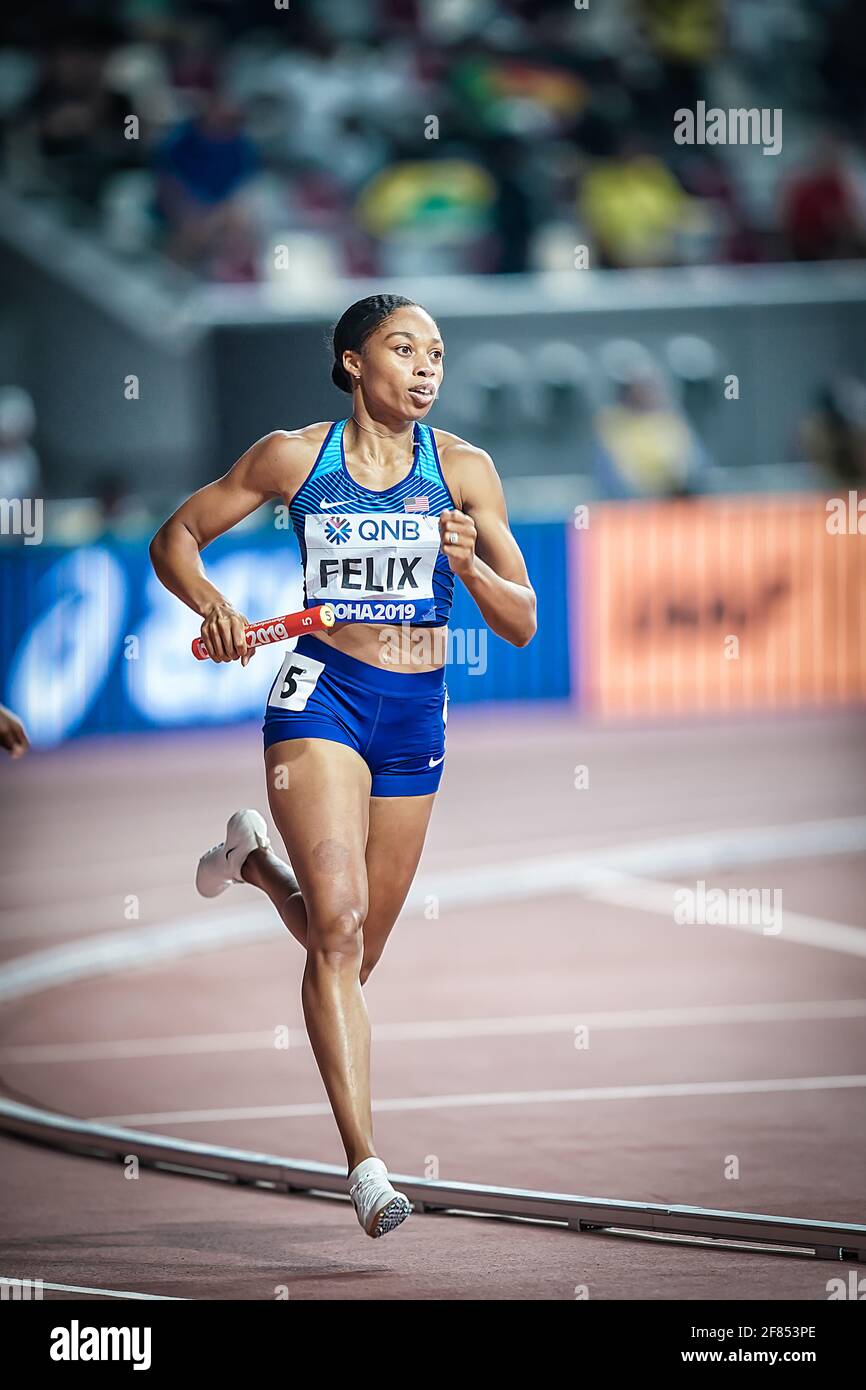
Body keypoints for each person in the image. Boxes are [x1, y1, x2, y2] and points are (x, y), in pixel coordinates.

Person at [149, 294, 537, 1237]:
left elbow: (522, 619)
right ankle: (365, 1167)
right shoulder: (296, 457)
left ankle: (251, 861)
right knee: (340, 927)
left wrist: (473, 567)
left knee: (352, 950)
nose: (426, 367)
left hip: (416, 716)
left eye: (438, 352)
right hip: (321, 698)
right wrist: (212, 603)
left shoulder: (467, 472)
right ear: (353, 363)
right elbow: (177, 537)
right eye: (404, 349)